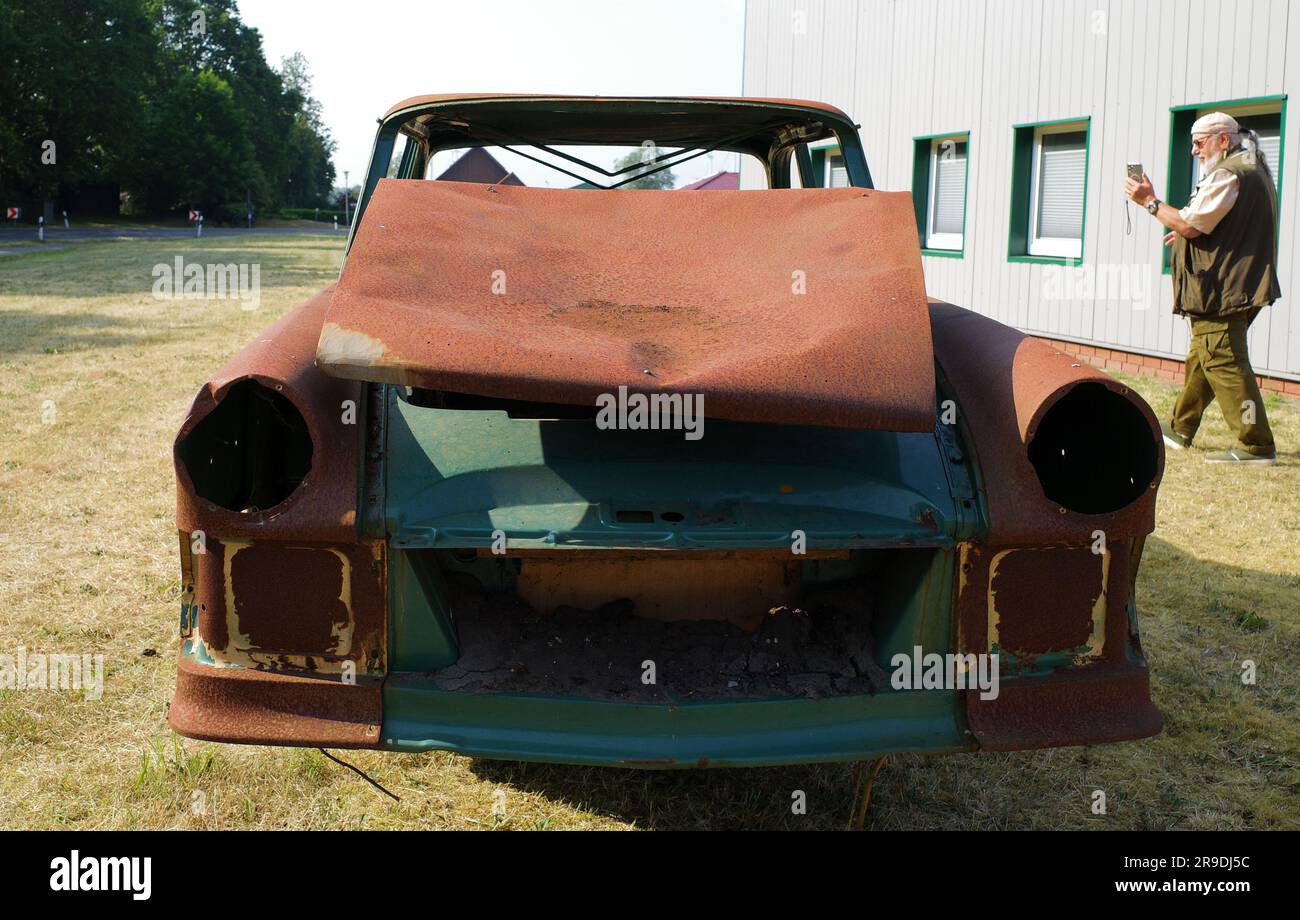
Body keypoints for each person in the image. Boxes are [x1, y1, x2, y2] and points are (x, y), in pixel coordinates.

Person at [1126, 111, 1280, 465]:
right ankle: (1180, 428)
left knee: (1224, 362)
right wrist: (1181, 228)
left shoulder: (1229, 173)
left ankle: (1255, 444)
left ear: (1223, 140)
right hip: (1240, 282)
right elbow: (1213, 222)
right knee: (1204, 358)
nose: (1194, 151)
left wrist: (1150, 202)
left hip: (1222, 288)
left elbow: (1193, 224)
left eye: (1199, 142)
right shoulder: (1250, 167)